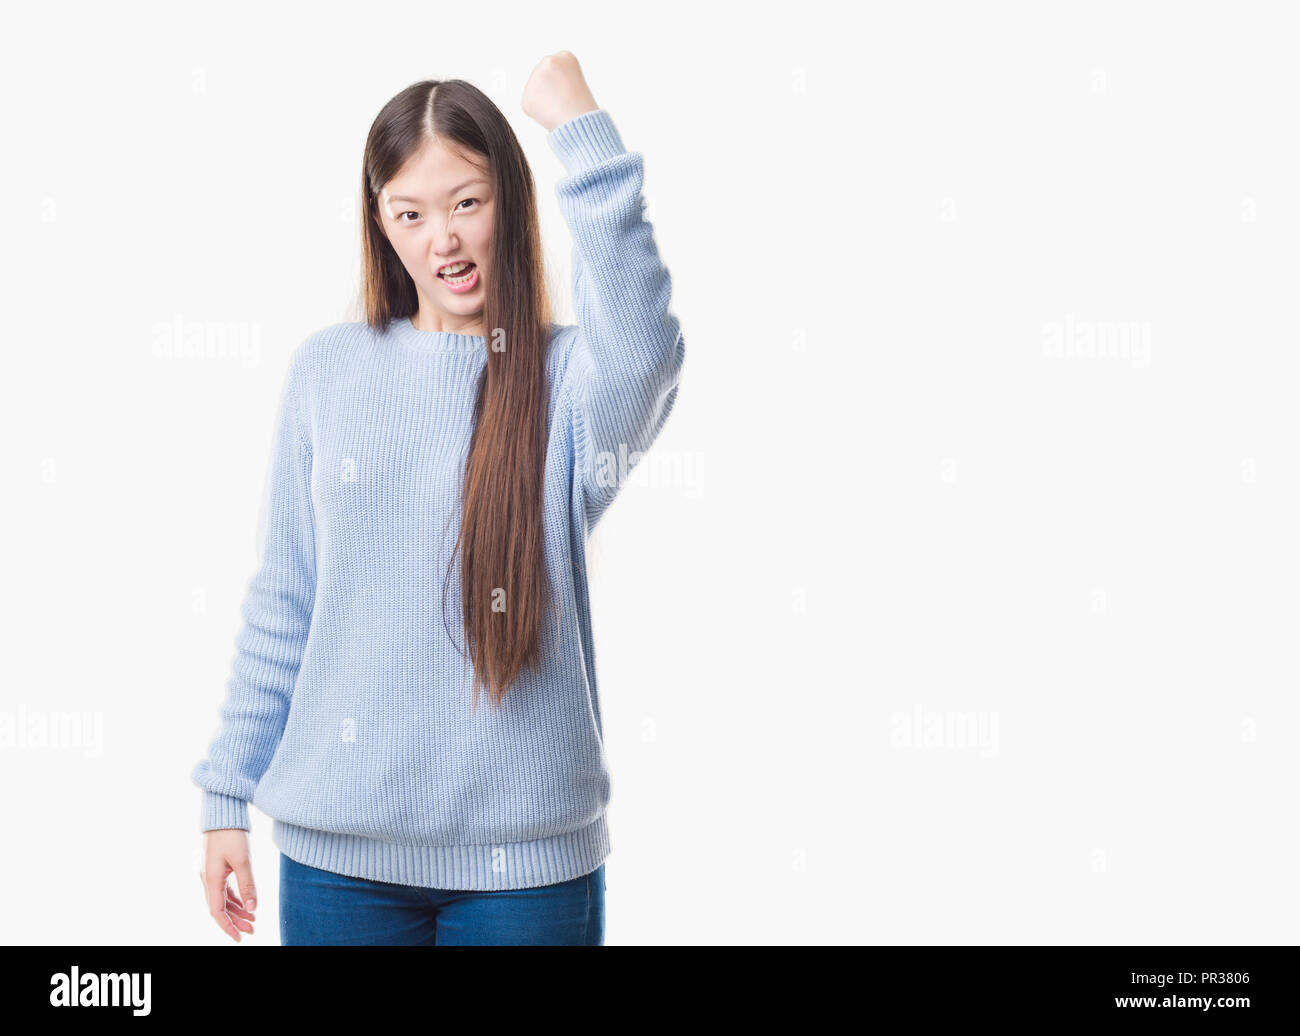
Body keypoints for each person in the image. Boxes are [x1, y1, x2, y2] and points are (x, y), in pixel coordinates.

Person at [190, 51, 685, 946]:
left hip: (527, 872)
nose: (441, 241)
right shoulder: (328, 372)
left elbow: (648, 343)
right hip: (339, 865)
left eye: (467, 203)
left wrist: (580, 125)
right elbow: (286, 601)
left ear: (512, 203)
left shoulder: (570, 380)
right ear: (380, 225)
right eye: (409, 214)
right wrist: (227, 789)